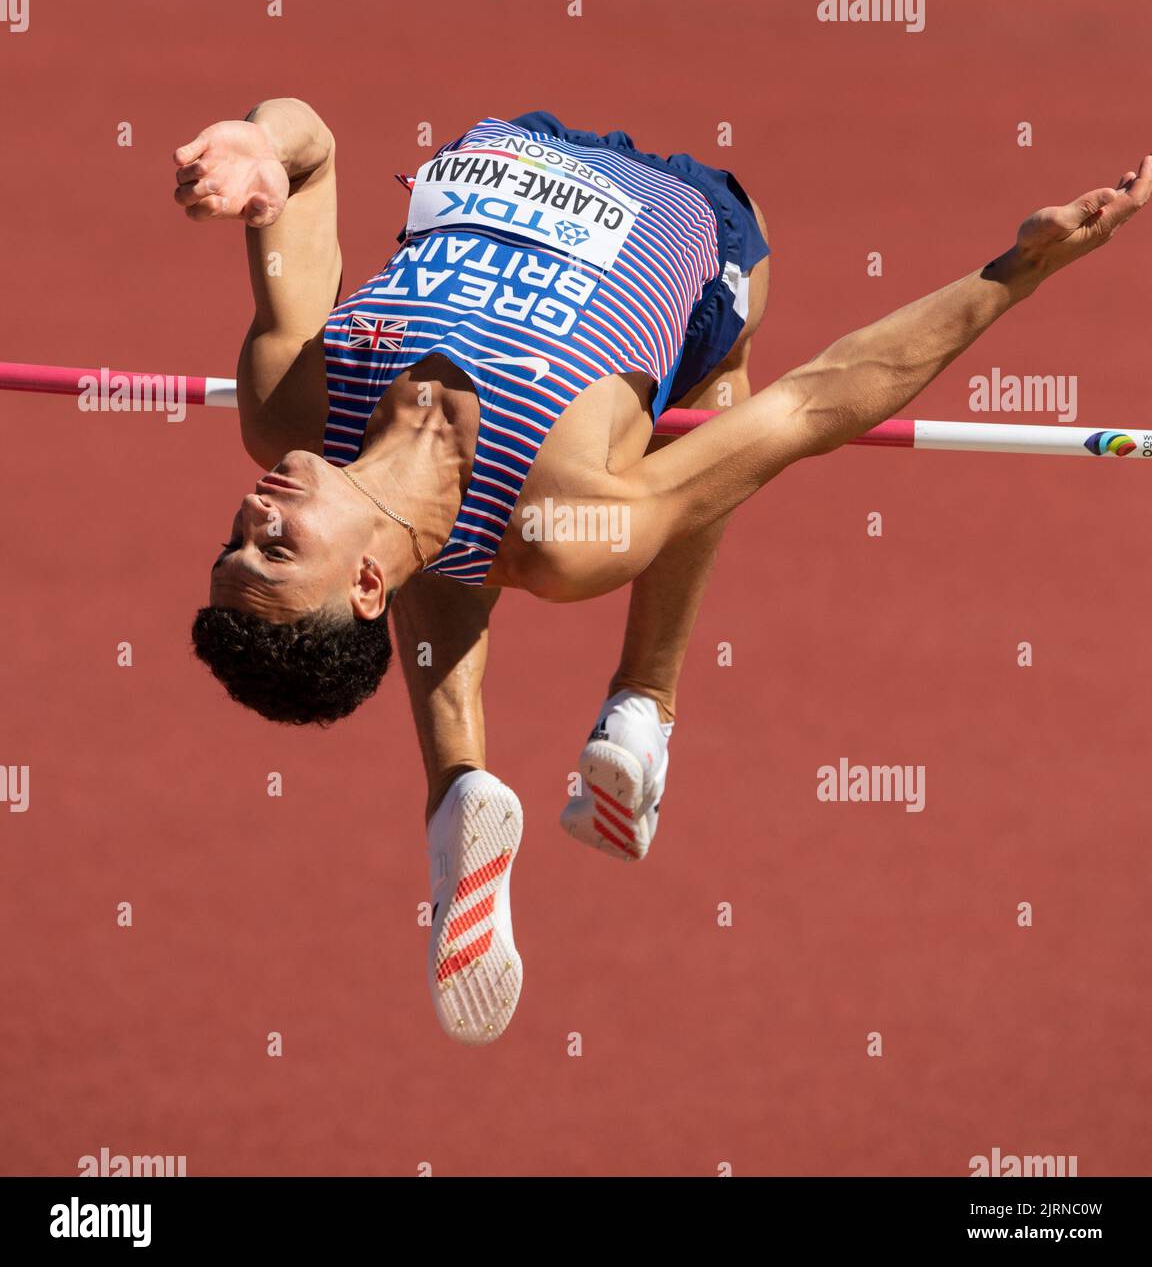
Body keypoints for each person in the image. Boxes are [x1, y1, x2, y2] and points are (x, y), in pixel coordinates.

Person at [175, 98, 1149, 1041]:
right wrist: (1019, 269)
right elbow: (809, 409)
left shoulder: (288, 406)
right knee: (693, 406)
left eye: (234, 535)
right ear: (360, 594)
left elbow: (308, 151)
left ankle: (472, 784)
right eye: (275, 548)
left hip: (515, 154)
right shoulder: (570, 519)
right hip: (697, 222)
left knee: (422, 514)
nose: (256, 512)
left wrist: (258, 141)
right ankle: (644, 701)